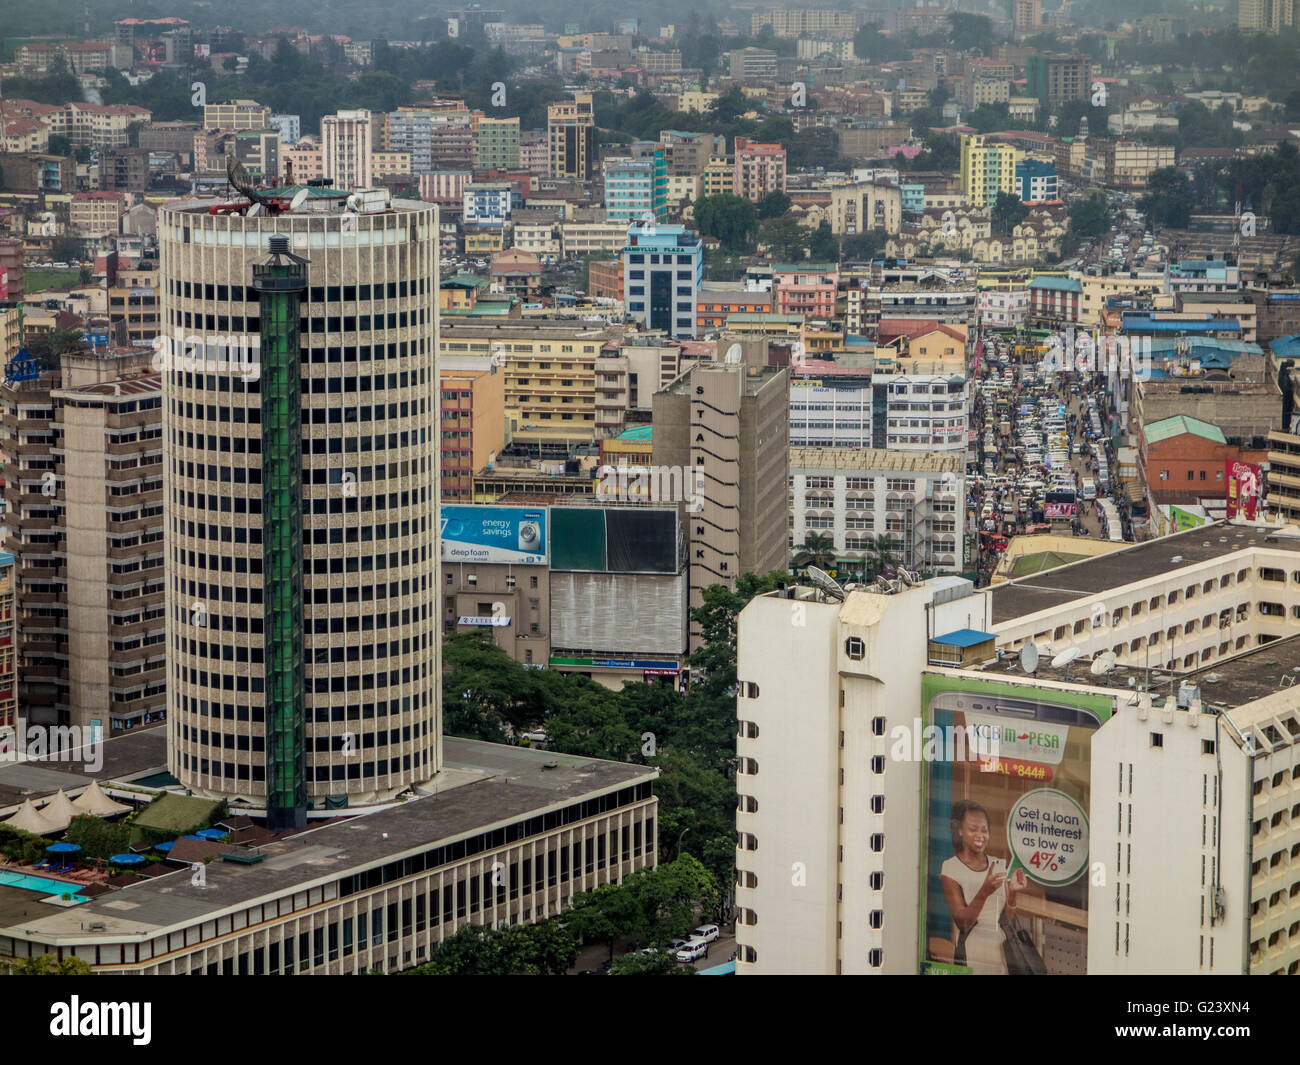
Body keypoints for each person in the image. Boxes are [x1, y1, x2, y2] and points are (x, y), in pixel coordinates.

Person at [939, 800, 1027, 974]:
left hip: (1001, 953)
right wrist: (984, 892)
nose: (980, 835)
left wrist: (1013, 894)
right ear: (960, 831)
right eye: (973, 829)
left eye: (984, 830)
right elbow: (963, 923)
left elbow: (1006, 920)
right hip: (972, 954)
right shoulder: (950, 868)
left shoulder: (999, 864)